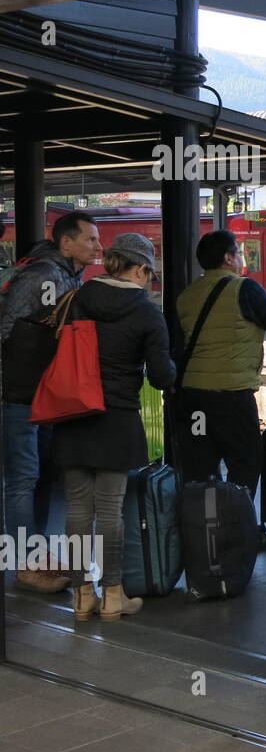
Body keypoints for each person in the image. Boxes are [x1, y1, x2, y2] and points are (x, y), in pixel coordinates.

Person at [51, 234, 174, 621]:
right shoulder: (146, 311)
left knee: (76, 509)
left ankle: (81, 595)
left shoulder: (77, 299)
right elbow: (160, 376)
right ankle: (114, 596)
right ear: (139, 269)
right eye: (148, 275)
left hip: (71, 414)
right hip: (116, 418)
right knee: (109, 511)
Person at [0, 210, 101, 593]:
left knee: (39, 474)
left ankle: (34, 552)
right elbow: (7, 327)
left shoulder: (65, 275)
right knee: (23, 478)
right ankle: (25, 562)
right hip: (19, 394)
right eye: (90, 239)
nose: (97, 246)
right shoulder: (43, 275)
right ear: (66, 243)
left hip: (39, 394)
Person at [175, 230, 266, 492]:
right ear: (227, 257)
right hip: (231, 395)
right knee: (246, 460)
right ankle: (236, 524)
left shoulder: (186, 295)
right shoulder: (243, 288)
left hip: (192, 396)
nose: (241, 259)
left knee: (201, 467)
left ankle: (203, 526)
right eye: (238, 252)